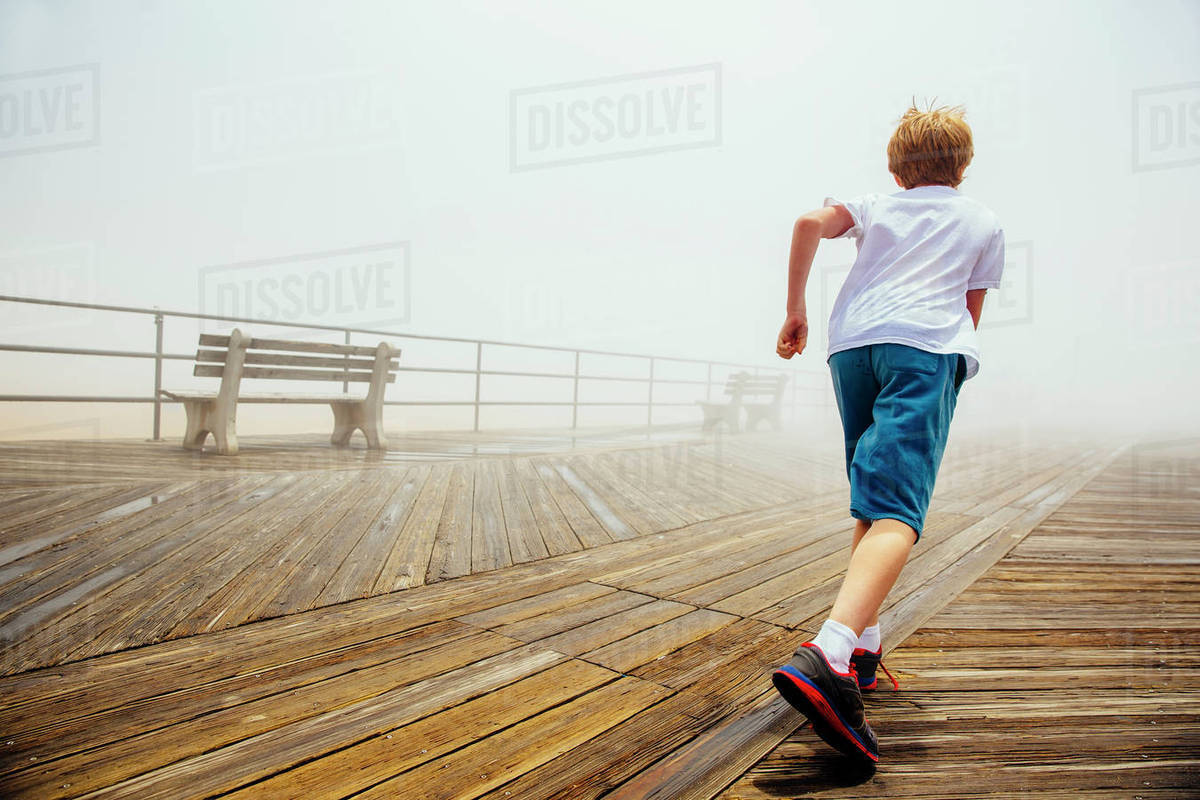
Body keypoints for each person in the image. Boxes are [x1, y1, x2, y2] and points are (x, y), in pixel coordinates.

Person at [770, 104, 1006, 764]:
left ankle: (864, 645)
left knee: (873, 500)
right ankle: (830, 650)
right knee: (901, 513)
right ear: (962, 165)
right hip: (923, 350)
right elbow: (969, 312)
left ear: (896, 167)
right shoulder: (983, 220)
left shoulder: (875, 205)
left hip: (852, 349)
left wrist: (794, 310)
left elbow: (807, 222)